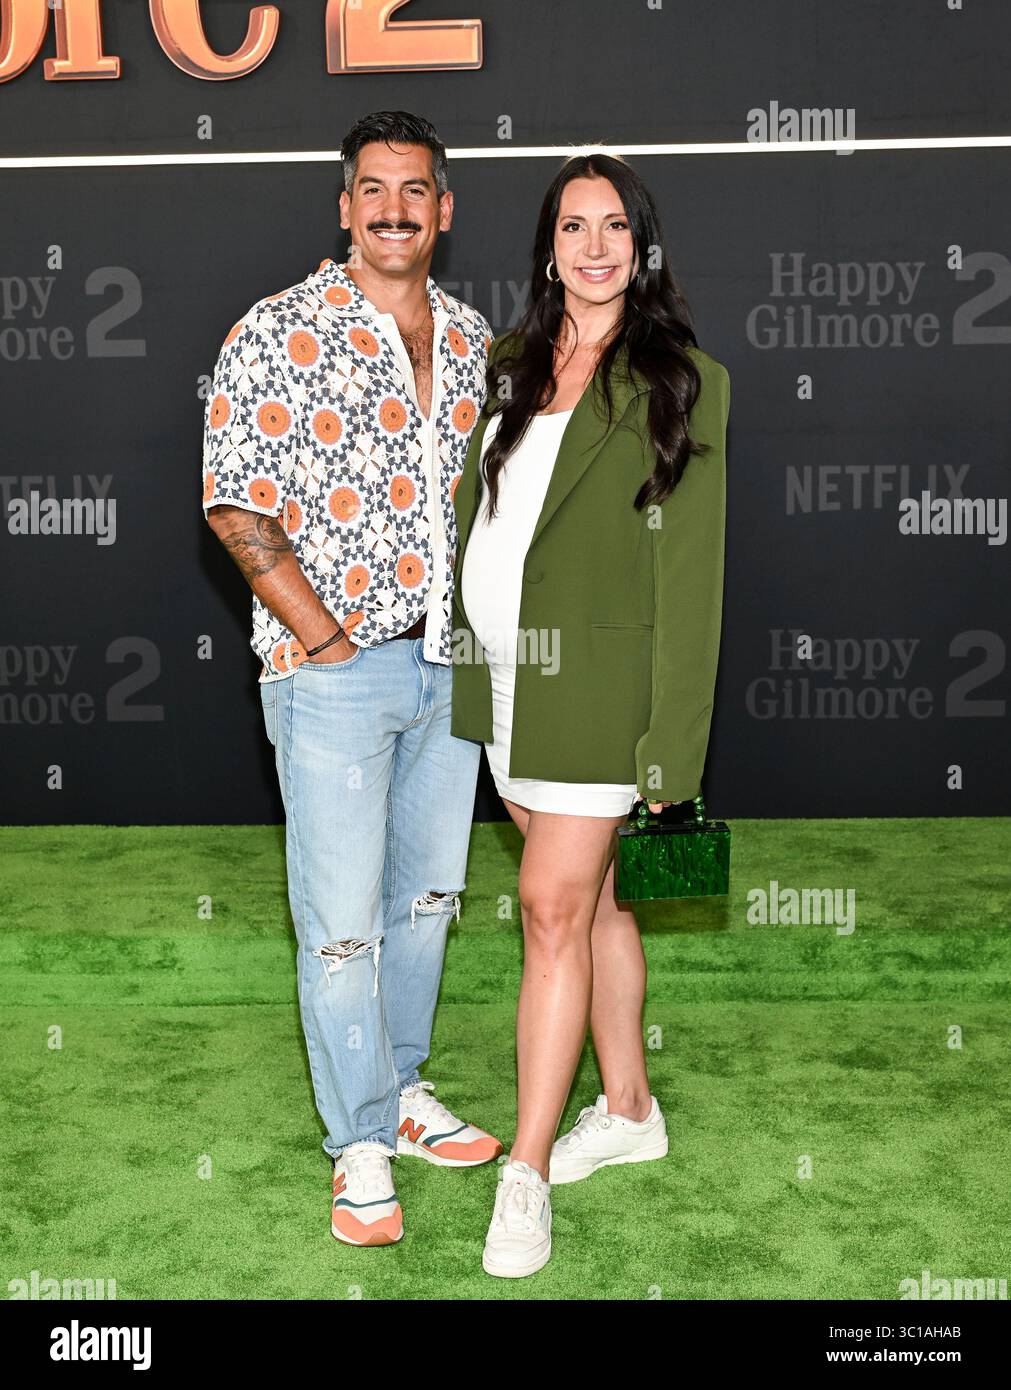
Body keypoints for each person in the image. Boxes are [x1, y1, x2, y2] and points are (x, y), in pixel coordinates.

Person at [202, 110, 502, 1250]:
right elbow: (235, 499)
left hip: (452, 661)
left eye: (414, 190)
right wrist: (325, 639)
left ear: (444, 208)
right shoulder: (277, 329)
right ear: (344, 206)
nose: (393, 209)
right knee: (340, 924)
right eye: (372, 190)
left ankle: (403, 1092)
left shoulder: (476, 339)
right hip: (332, 676)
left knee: (425, 903)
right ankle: (358, 1140)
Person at [450, 153, 730, 1278]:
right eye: (575, 226)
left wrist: (673, 744)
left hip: (604, 699)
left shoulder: (684, 378)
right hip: (511, 686)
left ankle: (522, 1172)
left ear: (643, 245)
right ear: (549, 246)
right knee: (598, 897)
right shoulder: (508, 361)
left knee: (548, 910)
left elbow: (693, 582)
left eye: (617, 226)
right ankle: (628, 1107)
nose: (596, 246)